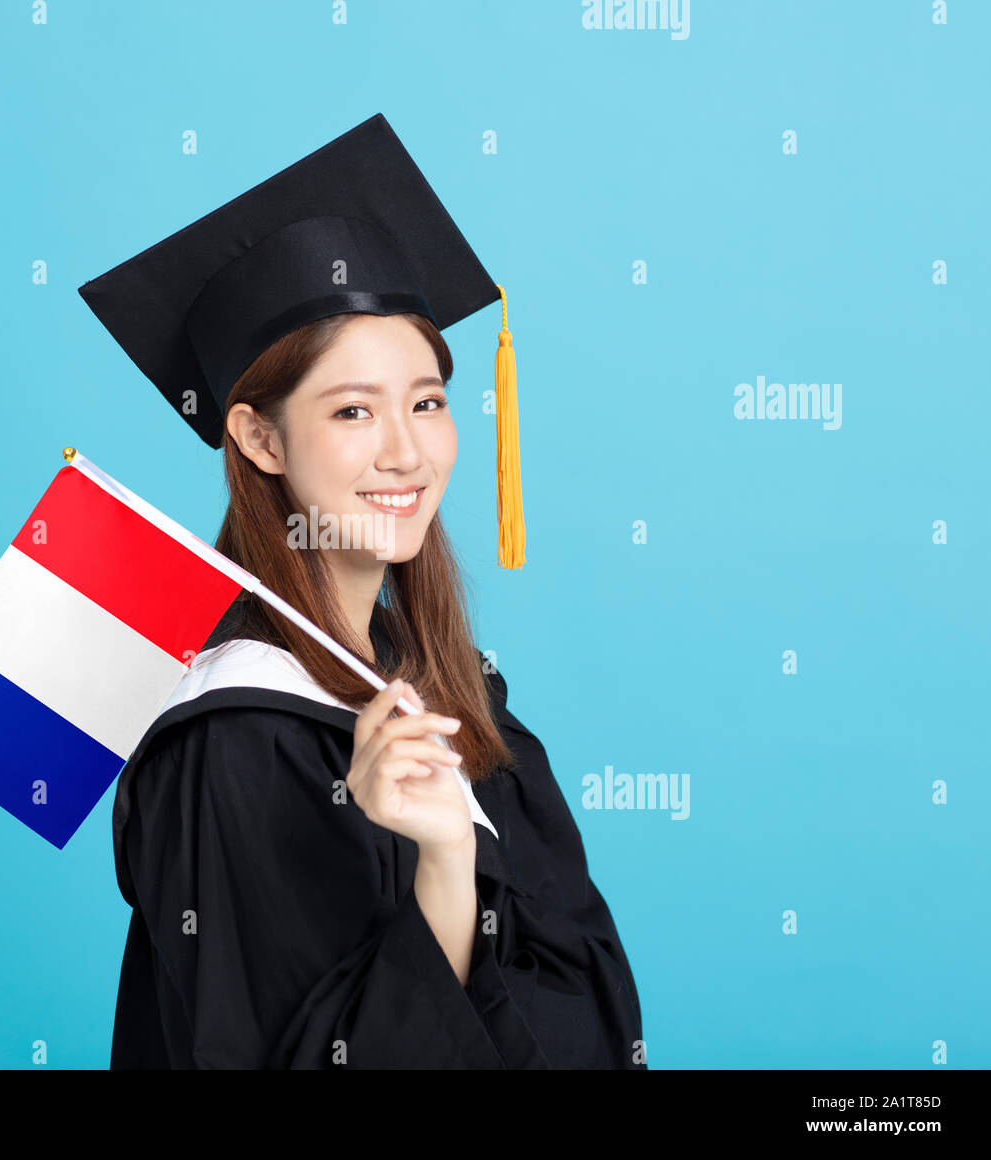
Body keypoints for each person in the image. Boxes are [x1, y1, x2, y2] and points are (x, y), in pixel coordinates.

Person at [78, 114, 645, 1069]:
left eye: (427, 401)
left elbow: (585, 990)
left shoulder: (444, 686)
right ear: (260, 440)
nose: (406, 452)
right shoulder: (231, 742)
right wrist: (446, 873)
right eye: (352, 410)